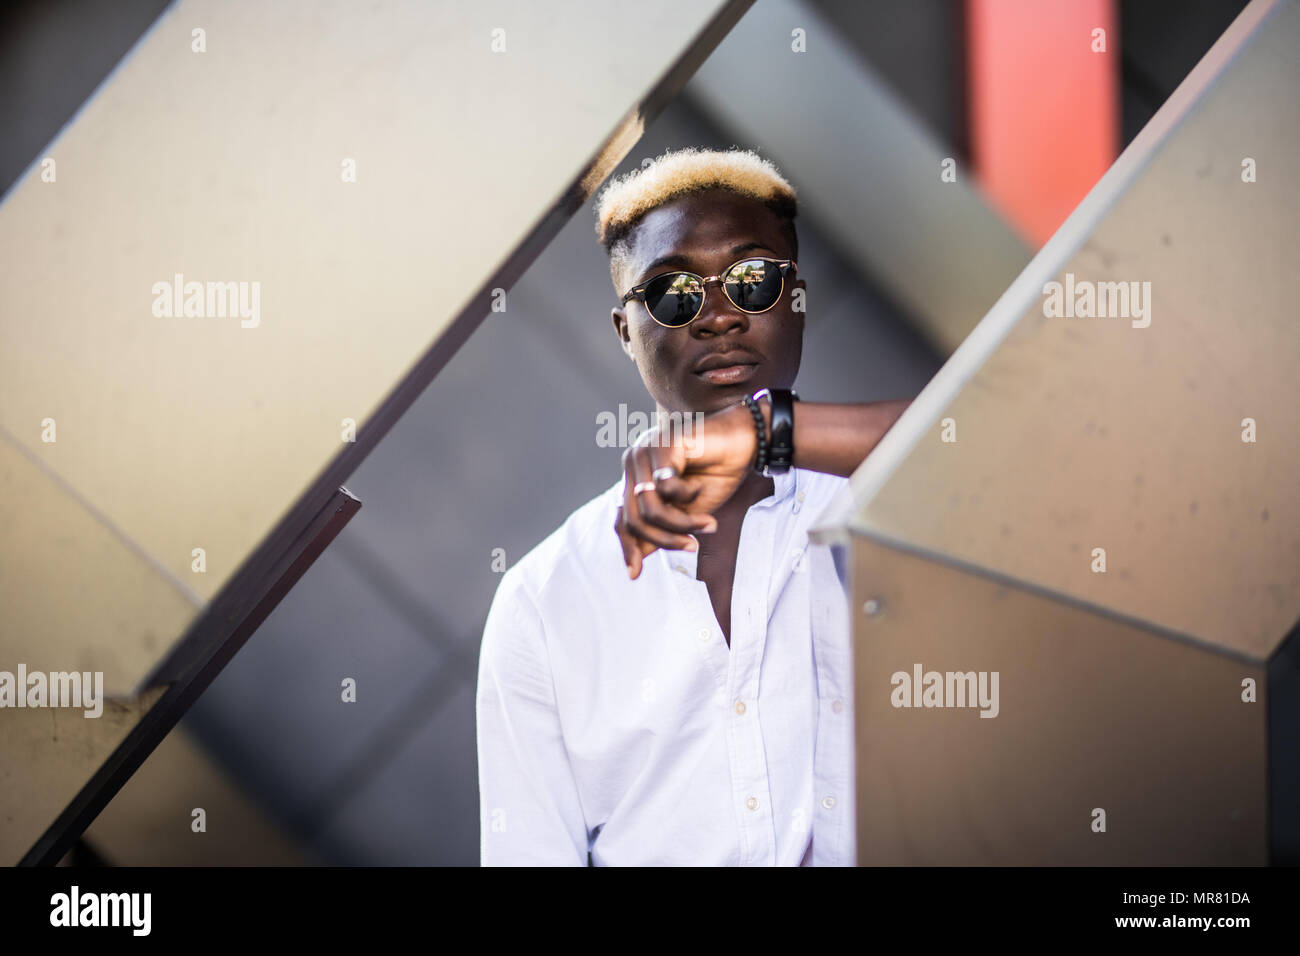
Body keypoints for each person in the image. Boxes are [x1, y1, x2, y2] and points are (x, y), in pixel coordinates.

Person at [476, 146, 911, 865]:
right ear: (626, 333)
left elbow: (1011, 436)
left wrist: (765, 430)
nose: (717, 317)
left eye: (753, 281)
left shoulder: (896, 496)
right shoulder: (543, 601)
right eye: (676, 294)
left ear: (796, 299)